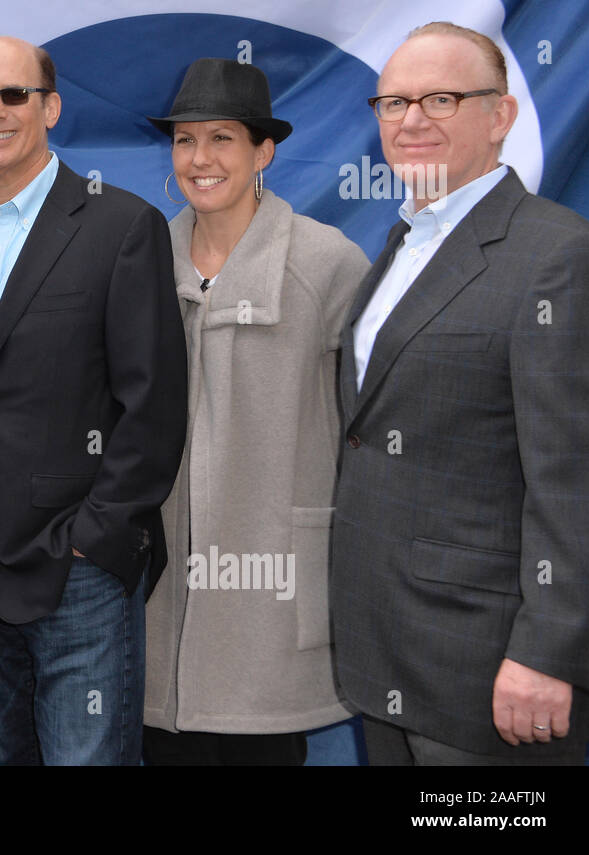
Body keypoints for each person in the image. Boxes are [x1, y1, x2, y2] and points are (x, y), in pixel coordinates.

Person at [331, 22, 589, 765]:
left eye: (440, 99)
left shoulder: (556, 255)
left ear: (500, 115)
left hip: (489, 671)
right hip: (384, 653)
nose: (411, 121)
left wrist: (548, 653)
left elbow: (576, 479)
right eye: (394, 103)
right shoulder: (404, 245)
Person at [0, 36, 187, 765]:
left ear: (51, 108)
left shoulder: (121, 226)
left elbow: (154, 407)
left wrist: (92, 539)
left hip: (78, 575)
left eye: (14, 94)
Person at [141, 58, 369, 765]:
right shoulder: (142, 259)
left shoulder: (328, 263)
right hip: (157, 598)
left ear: (263, 151)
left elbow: (370, 428)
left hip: (271, 594)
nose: (200, 158)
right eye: (185, 140)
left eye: (222, 138)